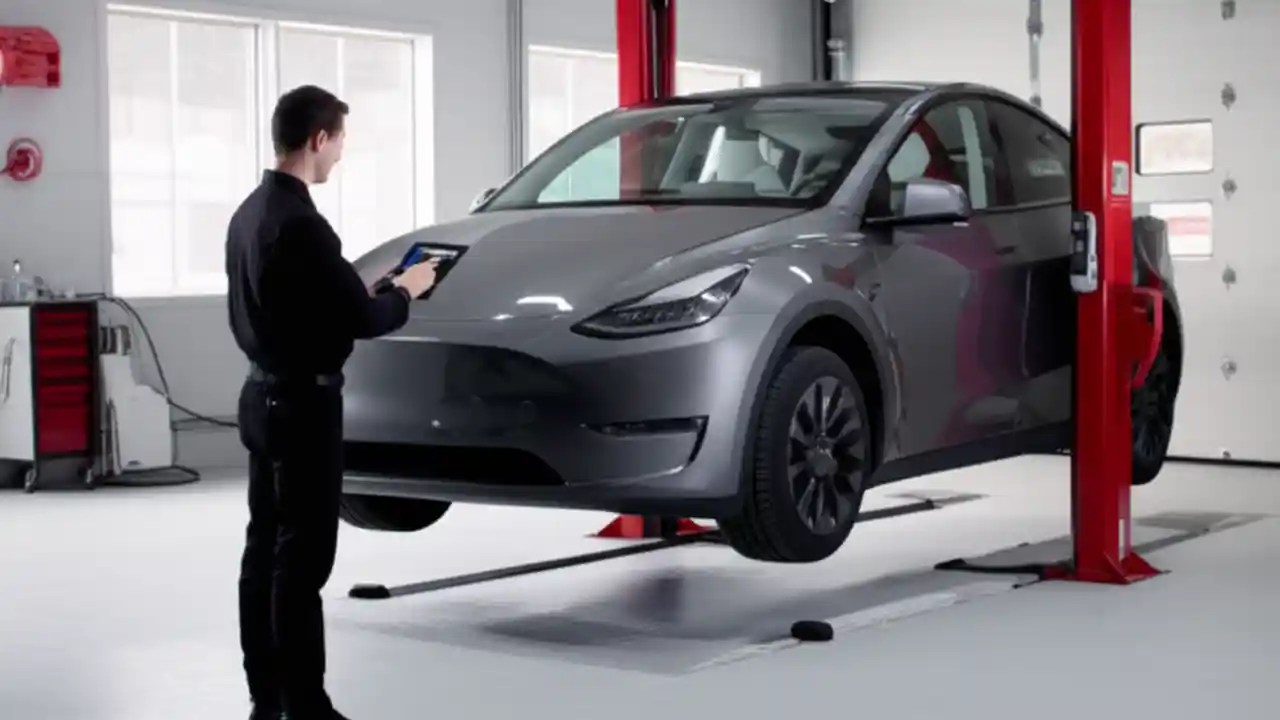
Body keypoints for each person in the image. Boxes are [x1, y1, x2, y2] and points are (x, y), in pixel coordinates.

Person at [225, 84, 439, 720]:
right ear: (319, 139)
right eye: (340, 140)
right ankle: (307, 704)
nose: (341, 154)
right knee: (304, 561)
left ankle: (268, 699)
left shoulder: (249, 213)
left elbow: (311, 301)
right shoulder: (304, 224)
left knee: (263, 549)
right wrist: (408, 290)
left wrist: (364, 292)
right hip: (304, 409)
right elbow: (367, 319)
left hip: (259, 398)